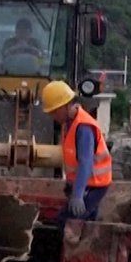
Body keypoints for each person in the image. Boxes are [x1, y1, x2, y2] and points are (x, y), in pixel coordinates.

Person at [40, 79, 111, 225]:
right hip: (87, 185)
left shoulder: (83, 127)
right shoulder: (69, 124)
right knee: (85, 223)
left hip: (95, 186)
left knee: (67, 222)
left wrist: (78, 195)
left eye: (54, 112)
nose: (53, 116)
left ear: (65, 106)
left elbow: (86, 162)